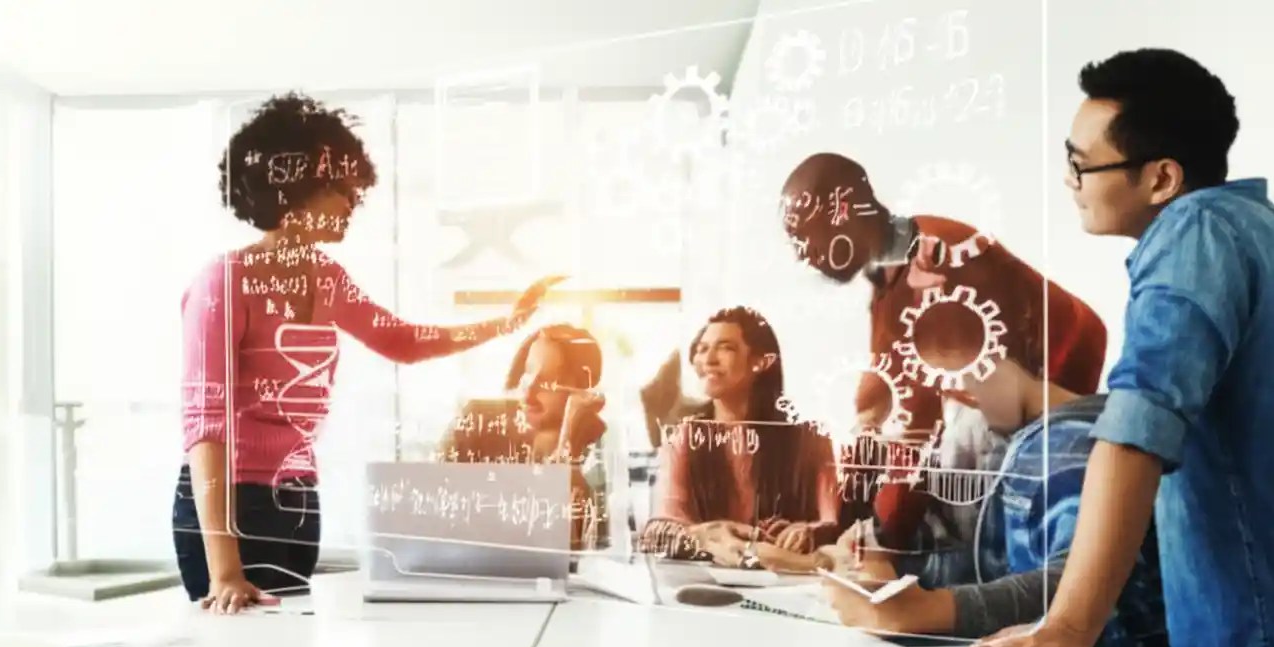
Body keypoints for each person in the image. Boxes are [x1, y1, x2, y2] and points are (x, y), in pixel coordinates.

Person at [954, 49, 1274, 647]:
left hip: (1252, 645)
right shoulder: (1256, 229)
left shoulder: (1195, 231)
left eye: (1082, 162)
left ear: (1161, 178)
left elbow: (1137, 431)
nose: (1069, 180)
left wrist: (1069, 625)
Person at [176, 92, 557, 614]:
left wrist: (506, 324)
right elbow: (206, 425)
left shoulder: (327, 278)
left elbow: (400, 341)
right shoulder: (222, 283)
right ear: (296, 184)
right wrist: (226, 571)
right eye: (343, 188)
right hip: (229, 507)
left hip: (298, 498)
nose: (354, 201)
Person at [778, 153, 1108, 554]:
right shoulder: (892, 268)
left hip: (1054, 396)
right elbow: (878, 398)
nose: (800, 254)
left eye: (805, 237)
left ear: (844, 210)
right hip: (1006, 403)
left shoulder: (938, 265)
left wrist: (876, 539)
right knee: (879, 434)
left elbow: (918, 426)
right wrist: (838, 522)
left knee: (954, 455)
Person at [823, 357, 1171, 647]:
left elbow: (1083, 575)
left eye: (962, 378)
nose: (960, 402)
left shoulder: (1062, 446)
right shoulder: (1038, 442)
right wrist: (898, 568)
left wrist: (928, 611)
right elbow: (1002, 561)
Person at [639, 306, 841, 565]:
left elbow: (834, 525)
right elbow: (658, 531)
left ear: (761, 361)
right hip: (705, 589)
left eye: (725, 347)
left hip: (791, 586)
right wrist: (707, 536)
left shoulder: (809, 439)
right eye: (701, 349)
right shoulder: (686, 437)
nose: (708, 359)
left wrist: (808, 533)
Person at [441, 324, 610, 549]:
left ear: (579, 392)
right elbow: (433, 513)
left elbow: (573, 547)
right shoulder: (477, 423)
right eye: (528, 371)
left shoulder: (587, 439)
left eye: (549, 381)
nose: (529, 390)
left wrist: (568, 442)